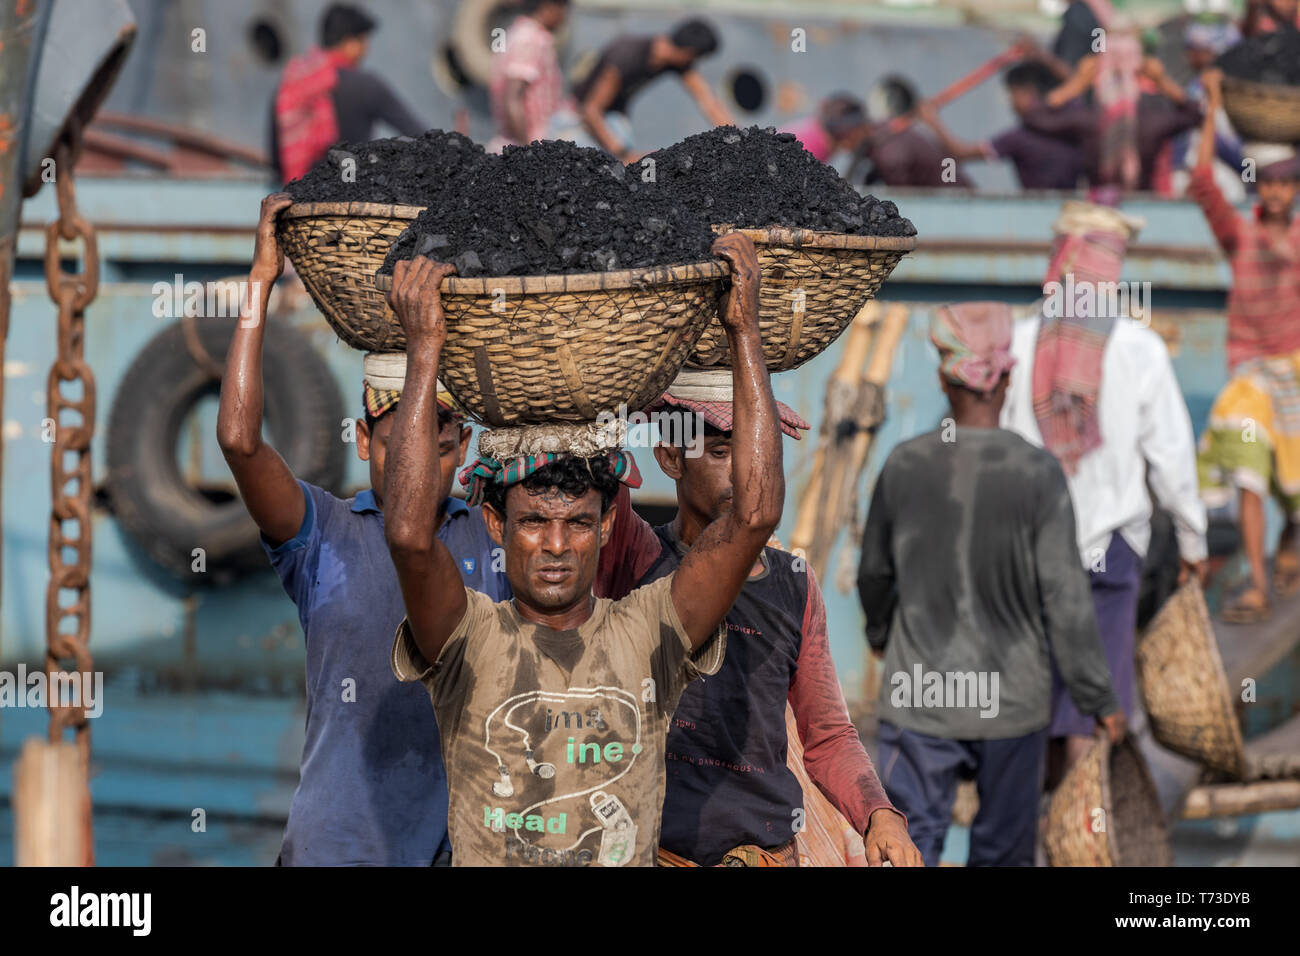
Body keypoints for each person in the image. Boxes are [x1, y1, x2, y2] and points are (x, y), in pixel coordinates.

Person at [381, 234, 784, 867]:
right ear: (495, 526)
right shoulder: (469, 637)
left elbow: (754, 515)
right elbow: (407, 532)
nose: (556, 545)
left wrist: (745, 333)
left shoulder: (651, 629)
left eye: (576, 522)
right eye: (534, 522)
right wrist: (424, 347)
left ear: (605, 528)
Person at [216, 195, 509, 865]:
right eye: (390, 443)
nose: (411, 464)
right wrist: (262, 277)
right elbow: (238, 438)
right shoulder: (322, 535)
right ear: (358, 440)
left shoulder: (493, 539)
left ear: (462, 447)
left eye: (431, 444)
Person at [592, 369, 920, 867]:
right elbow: (601, 470)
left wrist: (880, 814)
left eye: (759, 451)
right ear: (670, 456)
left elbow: (827, 735)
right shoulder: (635, 558)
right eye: (722, 452)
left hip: (767, 855)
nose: (747, 474)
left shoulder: (794, 583)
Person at [857, 304, 1124, 867]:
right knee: (1004, 854)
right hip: (1012, 702)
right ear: (1007, 377)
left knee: (909, 845)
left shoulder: (904, 464)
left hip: (920, 697)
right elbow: (1065, 598)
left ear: (942, 378)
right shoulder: (1037, 471)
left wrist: (881, 634)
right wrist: (1097, 697)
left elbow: (874, 574)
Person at [1000, 201, 1208, 780]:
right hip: (1111, 549)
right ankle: (1081, 830)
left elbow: (1000, 453)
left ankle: (1033, 826)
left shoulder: (1016, 344)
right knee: (1093, 703)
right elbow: (1170, 457)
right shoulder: (1139, 349)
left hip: (1030, 549)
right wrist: (1192, 542)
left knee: (1033, 696)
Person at [1192, 70, 1300, 623]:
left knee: (1292, 482)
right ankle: (1258, 583)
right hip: (1251, 375)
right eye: (1271, 183)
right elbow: (1202, 184)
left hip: (1295, 372)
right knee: (1248, 475)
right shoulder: (1241, 235)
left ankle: (1289, 546)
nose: (1278, 192)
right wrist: (1213, 104)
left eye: (1288, 183)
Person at [269, 4, 424, 183]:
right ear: (350, 42)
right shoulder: (366, 86)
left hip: (297, 200)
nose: (367, 51)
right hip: (352, 200)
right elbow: (418, 134)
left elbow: (276, 157)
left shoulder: (289, 85)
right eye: (364, 42)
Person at [563, 18, 733, 161]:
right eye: (698, 57)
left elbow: (708, 101)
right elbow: (591, 109)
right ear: (689, 52)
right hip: (578, 117)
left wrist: (738, 140)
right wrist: (623, 154)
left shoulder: (675, 61)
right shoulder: (627, 54)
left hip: (612, 118)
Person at [917, 60, 1089, 190]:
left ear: (1026, 92)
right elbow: (1078, 84)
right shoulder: (1071, 120)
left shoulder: (1020, 138)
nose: (1010, 103)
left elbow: (960, 153)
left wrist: (932, 120)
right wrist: (1040, 55)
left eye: (1012, 94)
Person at [1171, 20, 1244, 199]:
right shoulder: (1193, 86)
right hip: (1186, 174)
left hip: (1226, 175)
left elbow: (1240, 156)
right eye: (1191, 49)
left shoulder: (1240, 94)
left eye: (1200, 50)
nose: (1191, 54)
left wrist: (1214, 103)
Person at [488, 0, 572, 152]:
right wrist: (526, 152)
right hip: (526, 143)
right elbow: (513, 99)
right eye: (563, 10)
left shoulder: (518, 32)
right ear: (548, 7)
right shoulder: (530, 40)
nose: (564, 18)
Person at [784, 94, 872, 164]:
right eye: (863, 132)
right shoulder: (813, 150)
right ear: (851, 135)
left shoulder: (812, 128)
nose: (866, 137)